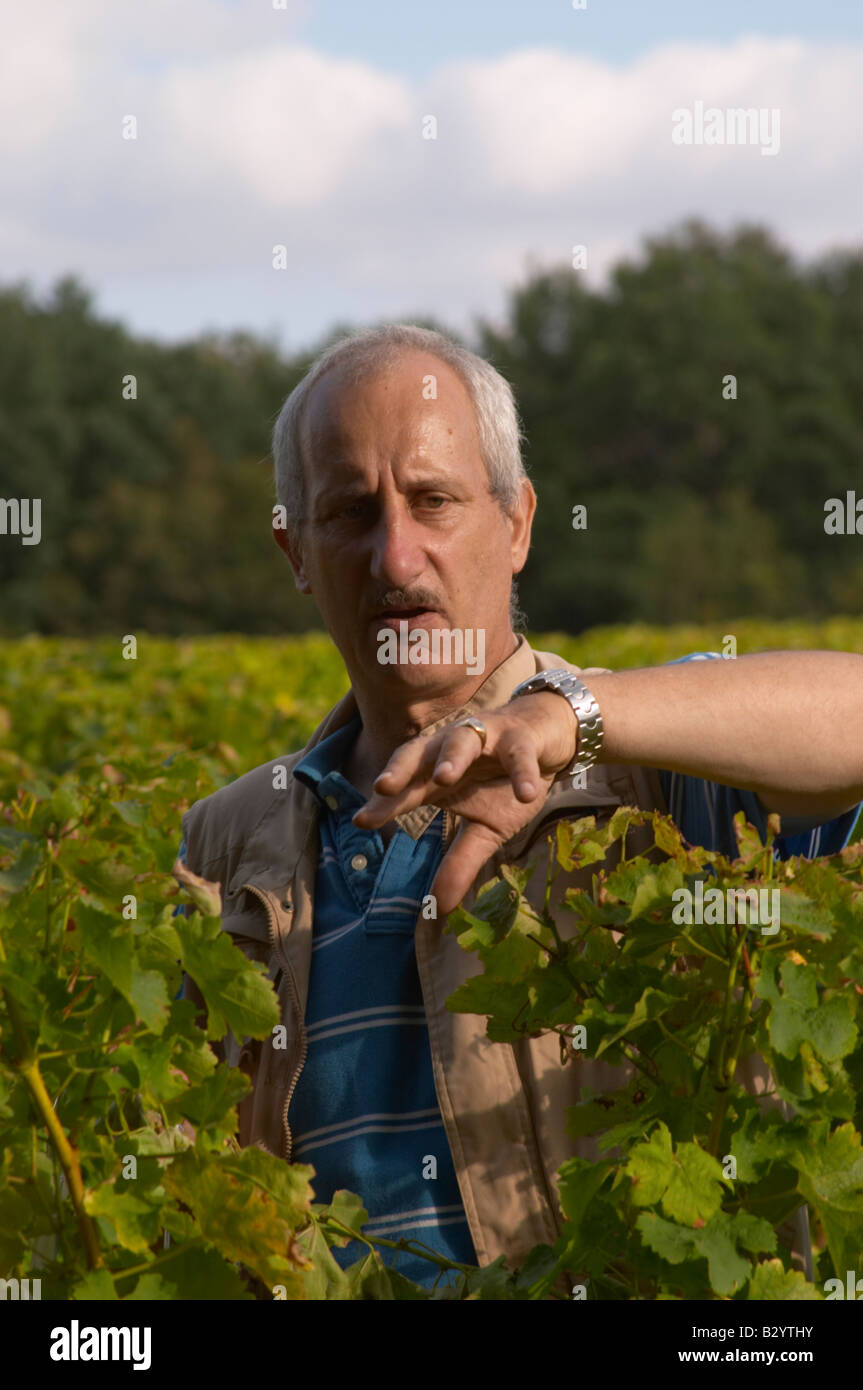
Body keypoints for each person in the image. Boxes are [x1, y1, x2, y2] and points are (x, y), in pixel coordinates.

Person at [175, 323, 863, 1293]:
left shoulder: (652, 766)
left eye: (433, 501)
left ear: (517, 523)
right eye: (348, 512)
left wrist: (573, 718)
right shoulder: (220, 846)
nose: (396, 558)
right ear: (293, 550)